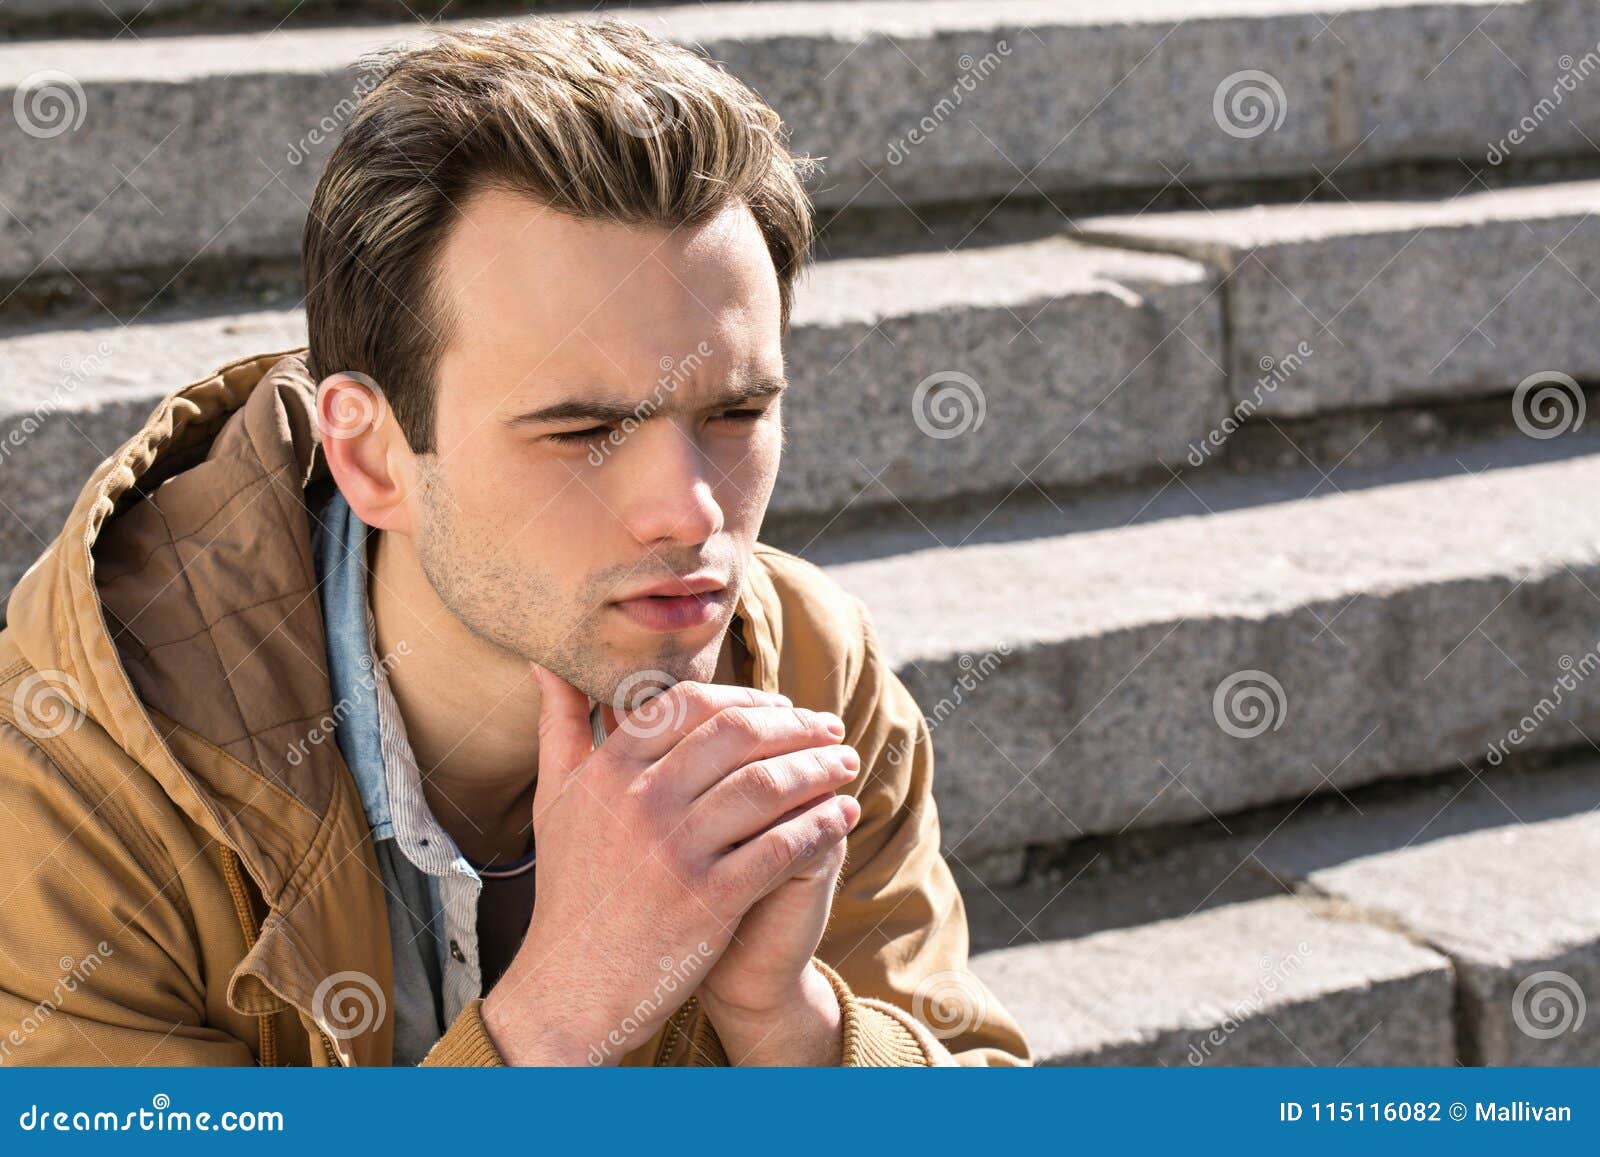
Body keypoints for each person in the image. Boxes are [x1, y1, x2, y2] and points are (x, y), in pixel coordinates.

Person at [0, 18, 1029, 1067]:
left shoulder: (809, 669)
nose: (691, 513)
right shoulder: (80, 768)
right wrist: (560, 1018)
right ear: (372, 456)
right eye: (583, 433)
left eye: (735, 413)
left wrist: (795, 1027)